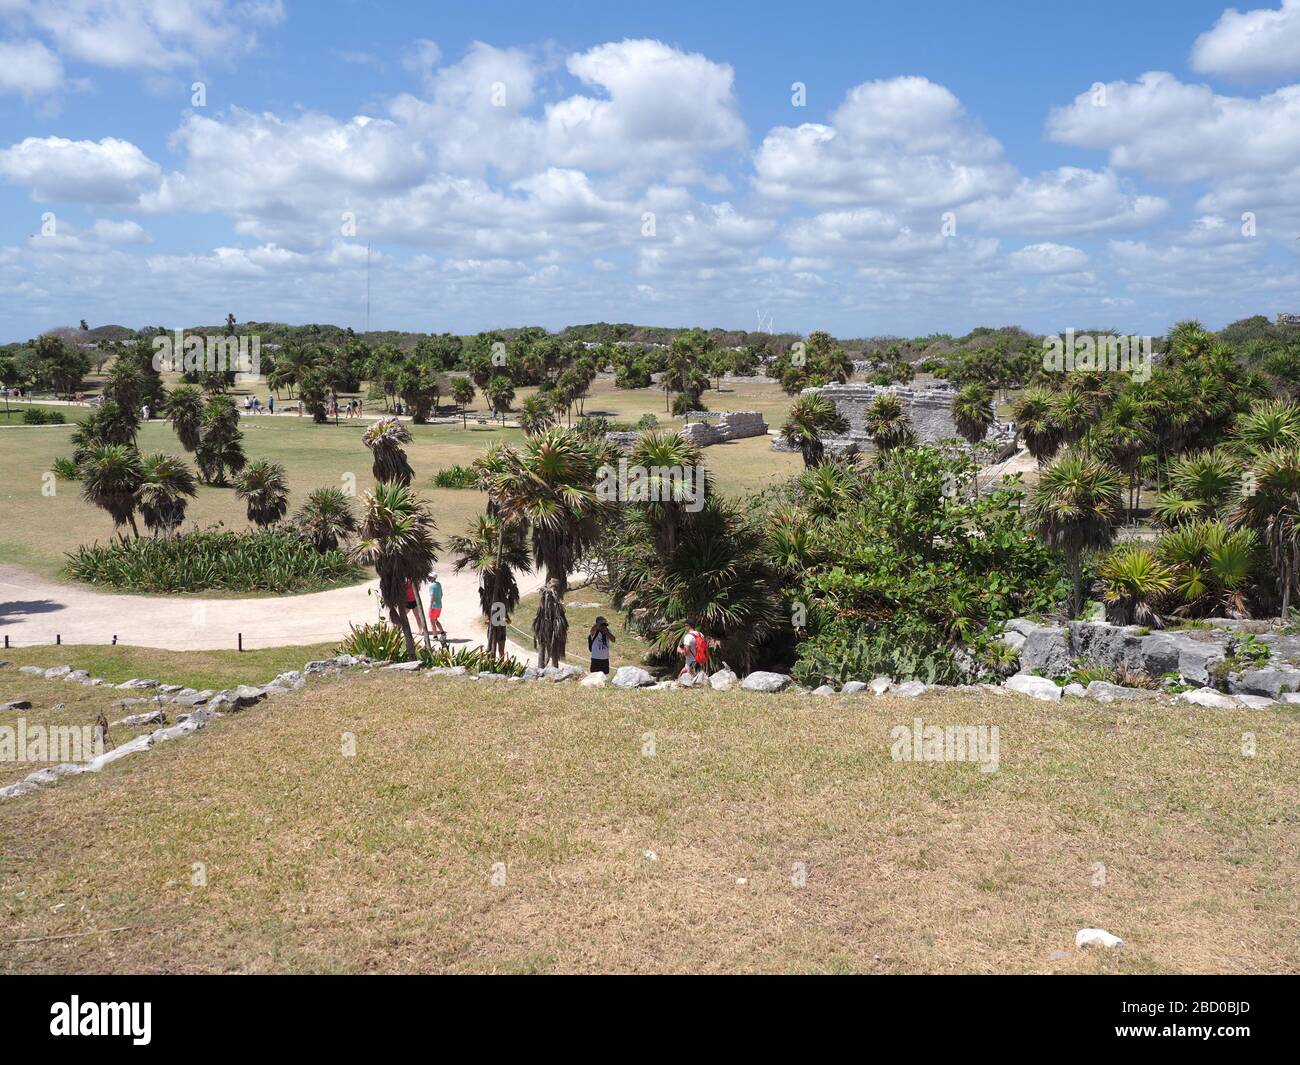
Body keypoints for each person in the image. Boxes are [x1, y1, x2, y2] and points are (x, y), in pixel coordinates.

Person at [426, 573, 446, 641]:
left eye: (429, 577)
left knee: (432, 622)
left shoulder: (431, 586)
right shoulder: (438, 584)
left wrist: (431, 606)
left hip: (434, 606)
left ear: (432, 578)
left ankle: (435, 637)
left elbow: (432, 597)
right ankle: (443, 633)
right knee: (436, 620)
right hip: (439, 606)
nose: (428, 578)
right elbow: (441, 594)